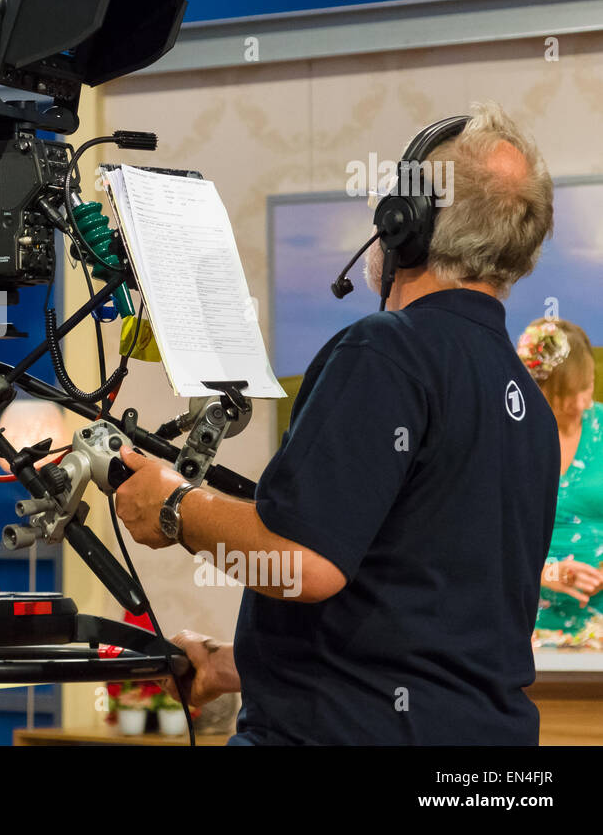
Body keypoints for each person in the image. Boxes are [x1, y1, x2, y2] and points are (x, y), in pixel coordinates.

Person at [113, 102, 558, 744]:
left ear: (406, 224)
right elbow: (422, 611)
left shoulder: (387, 349)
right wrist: (233, 666)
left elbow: (305, 562)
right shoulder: (526, 401)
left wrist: (176, 505)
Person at [518, 318, 603, 646]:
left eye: (589, 384)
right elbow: (477, 538)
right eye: (570, 393)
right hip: (525, 630)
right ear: (538, 387)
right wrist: (546, 574)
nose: (583, 402)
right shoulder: (506, 438)